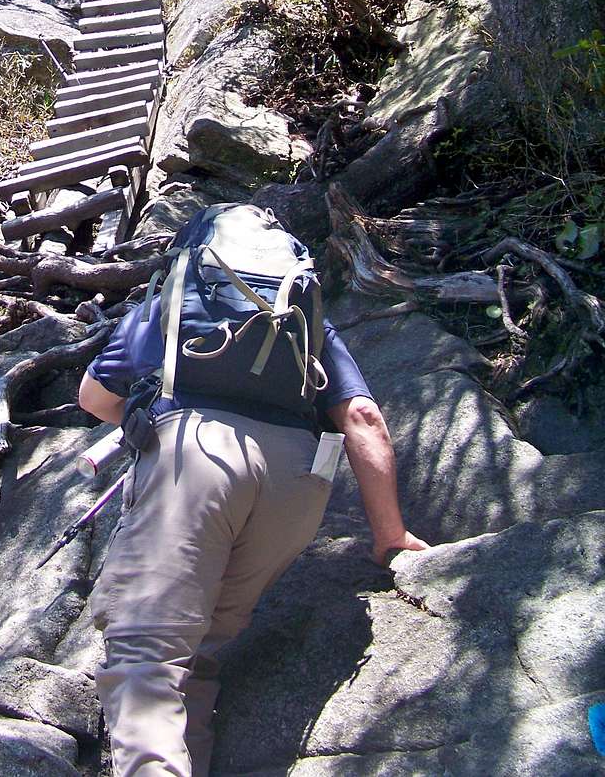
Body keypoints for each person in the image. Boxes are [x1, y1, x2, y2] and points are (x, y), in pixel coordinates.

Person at [78, 274, 429, 777]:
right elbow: (363, 417)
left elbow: (93, 398)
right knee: (197, 651)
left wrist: (147, 421)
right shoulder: (302, 323)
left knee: (146, 656)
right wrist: (391, 537)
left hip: (195, 461)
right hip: (297, 484)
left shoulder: (170, 304)